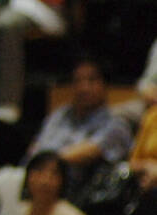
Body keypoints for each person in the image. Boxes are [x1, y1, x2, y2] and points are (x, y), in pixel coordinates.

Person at [24, 58, 133, 186]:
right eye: (78, 81)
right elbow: (36, 147)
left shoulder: (117, 125)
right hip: (42, 184)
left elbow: (84, 153)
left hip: (82, 192)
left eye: (91, 81)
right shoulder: (60, 115)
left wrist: (42, 164)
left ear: (105, 85)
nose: (84, 88)